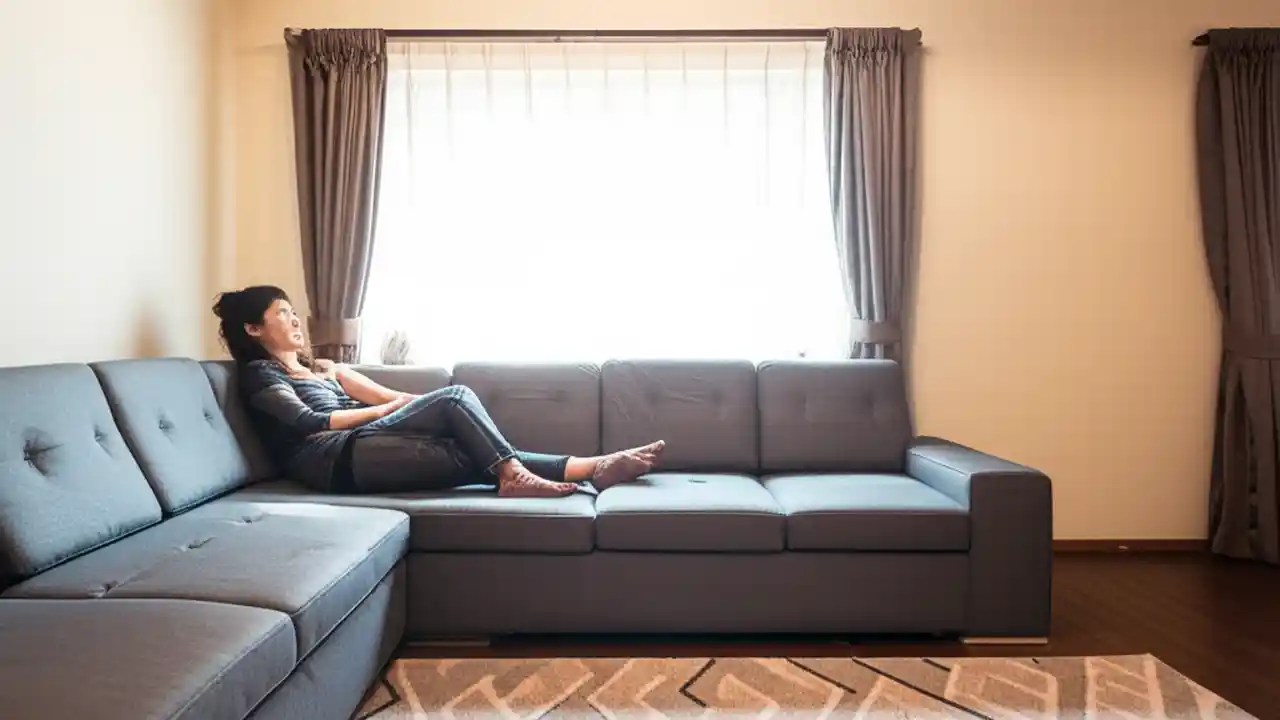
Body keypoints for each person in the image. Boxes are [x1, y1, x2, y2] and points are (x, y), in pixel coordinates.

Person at [212, 285, 664, 498]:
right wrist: (429, 407)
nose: (295, 321)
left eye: (294, 312)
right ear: (253, 328)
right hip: (331, 460)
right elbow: (311, 423)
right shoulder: (261, 376)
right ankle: (530, 474)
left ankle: (591, 468)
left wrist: (430, 412)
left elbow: (393, 399)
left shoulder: (329, 369)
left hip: (364, 445)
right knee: (456, 397)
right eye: (282, 314)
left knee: (468, 445)